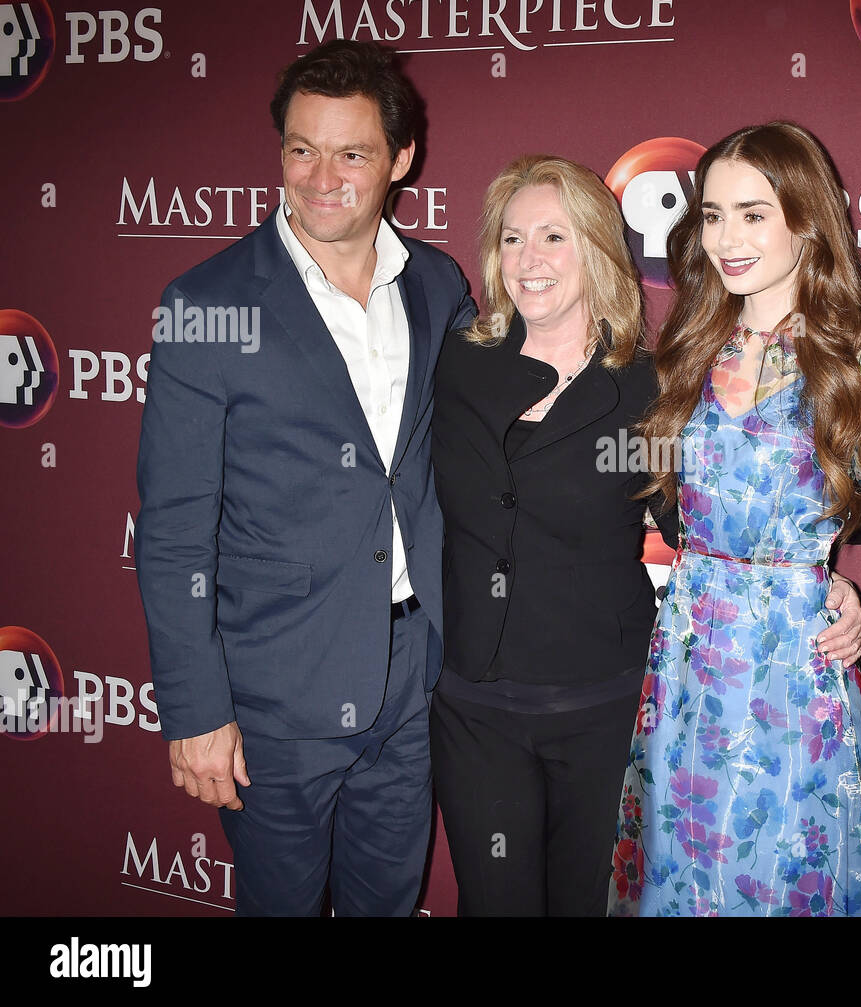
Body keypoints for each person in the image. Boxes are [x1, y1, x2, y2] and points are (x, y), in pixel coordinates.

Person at [429, 155, 861, 916]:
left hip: (606, 705)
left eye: (553, 236)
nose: (528, 259)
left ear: (599, 249)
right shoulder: (456, 362)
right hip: (477, 706)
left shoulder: (650, 383)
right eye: (511, 238)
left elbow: (708, 521)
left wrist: (826, 582)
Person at [135, 40, 475, 916]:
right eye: (300, 148)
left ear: (401, 160)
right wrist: (195, 710)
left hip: (413, 678)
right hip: (275, 696)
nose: (321, 176)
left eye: (352, 152)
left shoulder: (439, 288)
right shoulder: (208, 303)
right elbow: (174, 527)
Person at [609, 122, 861, 917]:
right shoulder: (691, 351)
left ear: (806, 220)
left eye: (752, 213)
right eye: (711, 215)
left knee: (784, 872)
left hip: (792, 663)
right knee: (684, 867)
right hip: (689, 654)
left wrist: (846, 591)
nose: (725, 238)